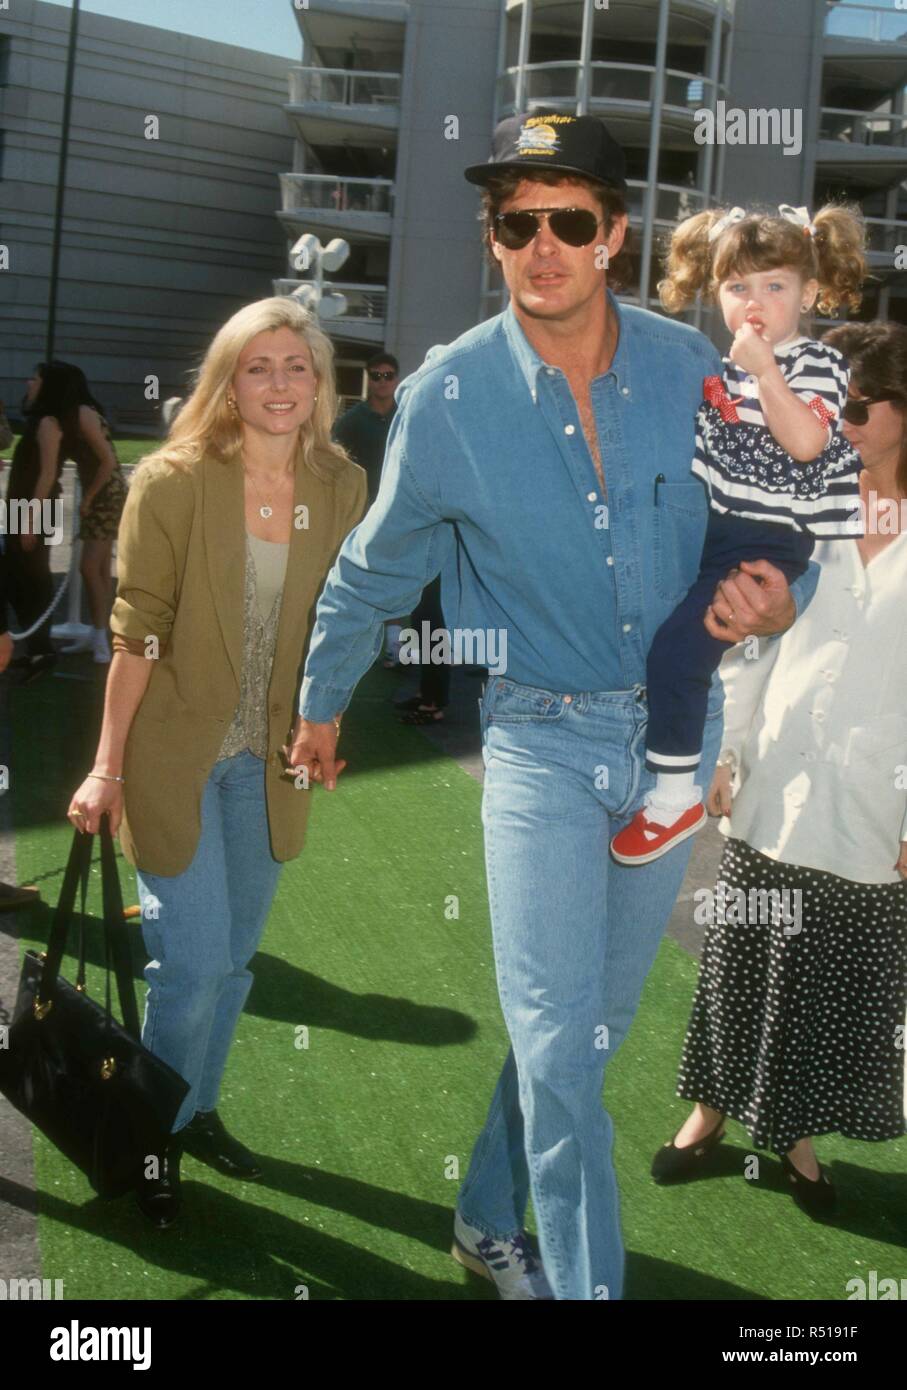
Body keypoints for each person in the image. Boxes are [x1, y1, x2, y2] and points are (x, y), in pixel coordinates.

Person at [284, 111, 816, 1300]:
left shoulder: (697, 372)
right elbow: (375, 566)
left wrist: (785, 591)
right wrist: (322, 699)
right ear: (494, 238)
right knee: (562, 1053)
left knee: (583, 1033)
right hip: (535, 741)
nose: (541, 245)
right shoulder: (450, 396)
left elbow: (781, 525)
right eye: (515, 222)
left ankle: (483, 1211)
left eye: (568, 220)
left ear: (614, 234)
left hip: (674, 738)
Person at [65, 297, 366, 1228]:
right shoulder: (174, 479)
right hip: (172, 754)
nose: (279, 384)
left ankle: (193, 1111)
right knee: (191, 969)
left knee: (233, 964)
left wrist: (327, 719)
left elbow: (341, 622)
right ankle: (143, 1132)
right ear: (227, 382)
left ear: (319, 383)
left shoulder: (341, 481)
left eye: (295, 366)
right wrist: (106, 766)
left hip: (269, 762)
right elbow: (135, 632)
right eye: (257, 367)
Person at [653, 318, 907, 1217]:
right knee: (741, 958)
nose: (836, 422)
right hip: (772, 776)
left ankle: (791, 1135)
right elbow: (746, 647)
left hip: (876, 799)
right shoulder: (797, 504)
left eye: (858, 407)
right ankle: (708, 1112)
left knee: (830, 980)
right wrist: (723, 750)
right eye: (825, 403)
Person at [611, 203, 867, 866]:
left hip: (765, 539)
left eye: (774, 286)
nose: (755, 303)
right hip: (710, 527)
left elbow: (807, 440)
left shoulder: (812, 363)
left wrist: (762, 370)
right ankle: (652, 761)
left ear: (807, 294)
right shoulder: (715, 368)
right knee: (660, 638)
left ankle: (672, 800)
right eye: (737, 288)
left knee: (677, 653)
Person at [333, 352, 407, 669]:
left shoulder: (407, 417)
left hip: (403, 510)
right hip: (361, 511)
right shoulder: (350, 422)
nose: (382, 381)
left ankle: (395, 643)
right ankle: (356, 642)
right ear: (368, 379)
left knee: (402, 575)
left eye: (388, 375)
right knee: (360, 574)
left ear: (397, 378)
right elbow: (334, 464)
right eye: (375, 375)